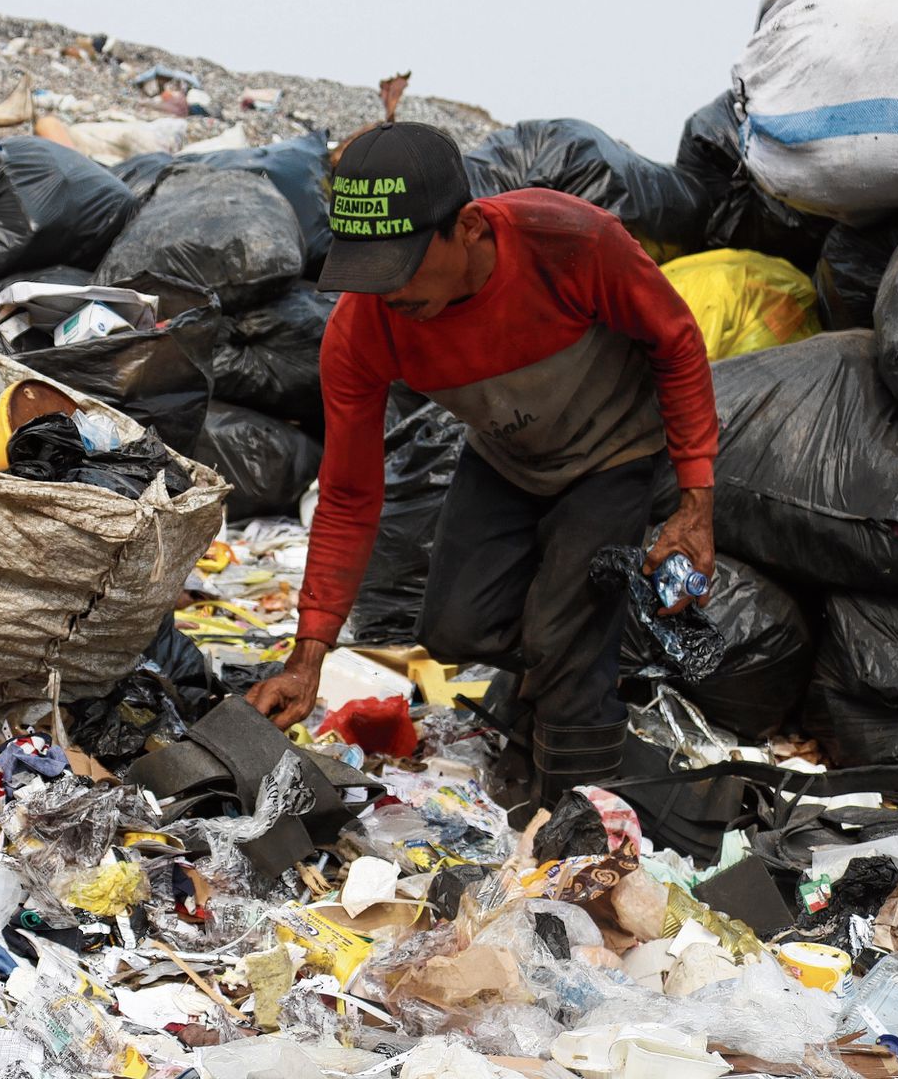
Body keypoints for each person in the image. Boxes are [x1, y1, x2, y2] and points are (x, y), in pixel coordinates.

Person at [246, 121, 718, 804]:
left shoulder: (571, 243)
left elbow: (676, 342)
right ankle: (556, 674)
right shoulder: (364, 327)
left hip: (614, 453)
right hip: (508, 458)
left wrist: (697, 505)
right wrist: (308, 657)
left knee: (564, 645)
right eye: (370, 274)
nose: (388, 296)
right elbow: (348, 495)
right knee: (451, 629)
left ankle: (576, 806)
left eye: (402, 268)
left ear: (467, 226)